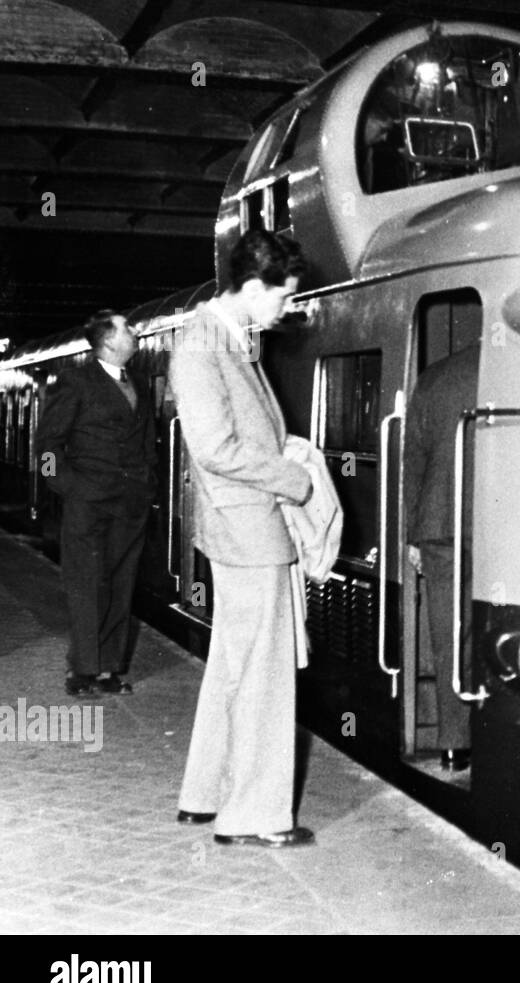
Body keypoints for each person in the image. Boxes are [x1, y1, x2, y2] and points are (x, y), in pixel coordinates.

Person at [168, 228, 315, 848]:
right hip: (246, 528)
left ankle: (206, 795)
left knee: (234, 664)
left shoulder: (231, 338)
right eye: (282, 297)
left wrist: (285, 451)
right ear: (252, 289)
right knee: (264, 675)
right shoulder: (202, 345)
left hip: (245, 525)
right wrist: (292, 478)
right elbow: (215, 448)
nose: (285, 309)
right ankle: (253, 817)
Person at [36, 310, 156, 696]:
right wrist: (67, 486)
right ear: (108, 341)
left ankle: (108, 670)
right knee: (88, 585)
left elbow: (146, 443)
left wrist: (148, 483)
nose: (135, 333)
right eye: (127, 328)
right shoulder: (75, 382)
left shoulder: (138, 382)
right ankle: (82, 671)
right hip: (89, 502)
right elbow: (47, 447)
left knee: (121, 584)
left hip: (130, 503)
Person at [404, 346, 478, 772]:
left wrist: (412, 534)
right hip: (504, 524)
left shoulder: (437, 375)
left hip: (439, 522)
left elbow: (413, 457)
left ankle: (454, 744)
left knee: (451, 634)